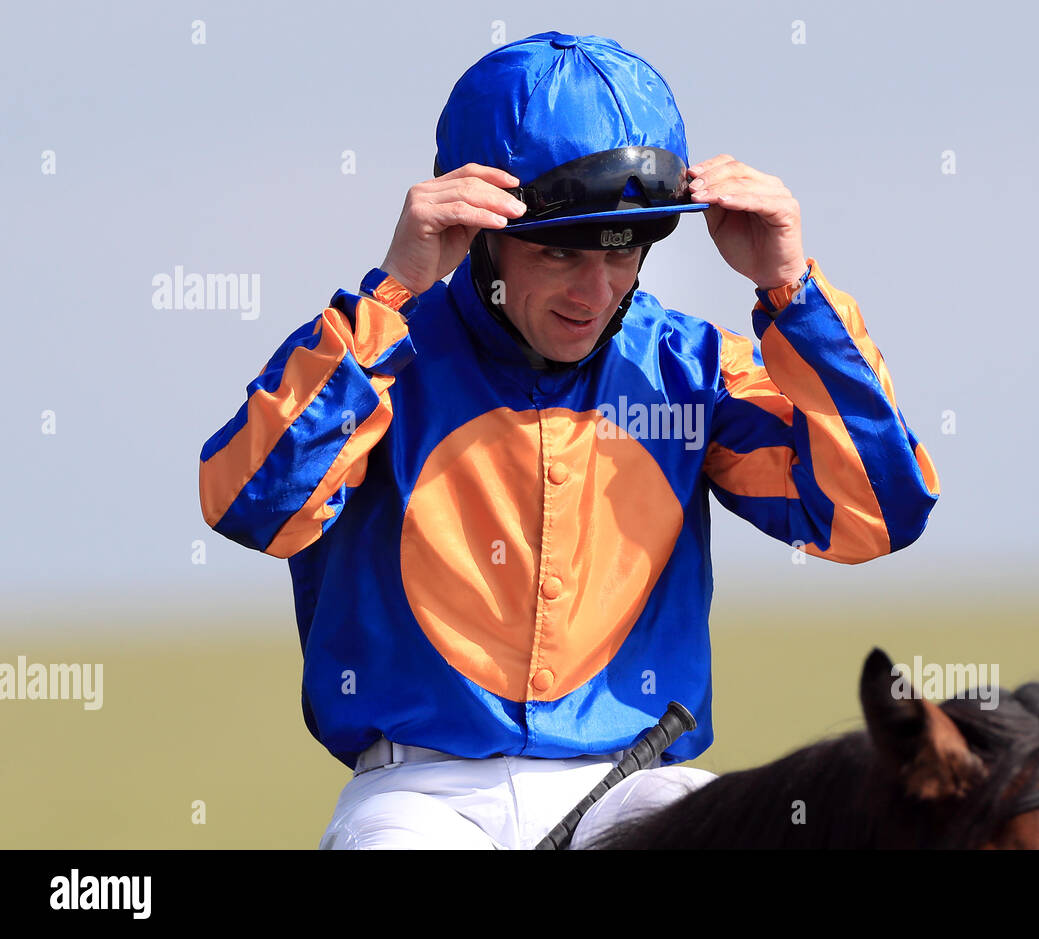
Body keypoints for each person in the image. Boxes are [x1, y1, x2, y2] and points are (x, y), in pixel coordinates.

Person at [197, 31, 941, 849]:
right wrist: (391, 292)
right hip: (418, 796)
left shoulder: (690, 368)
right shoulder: (380, 351)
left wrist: (789, 287)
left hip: (636, 785)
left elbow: (876, 512)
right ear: (476, 229)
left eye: (625, 254)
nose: (596, 293)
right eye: (560, 252)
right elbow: (253, 506)